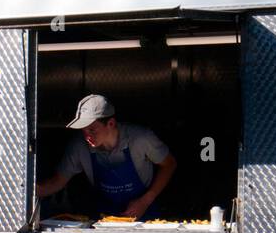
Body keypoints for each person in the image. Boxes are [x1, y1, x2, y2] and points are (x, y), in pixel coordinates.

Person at [36, 94, 177, 219]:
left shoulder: (141, 138)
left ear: (111, 123)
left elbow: (169, 164)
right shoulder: (79, 146)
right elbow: (58, 181)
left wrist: (145, 201)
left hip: (145, 215)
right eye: (83, 130)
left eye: (92, 129)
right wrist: (29, 192)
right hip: (105, 219)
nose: (87, 136)